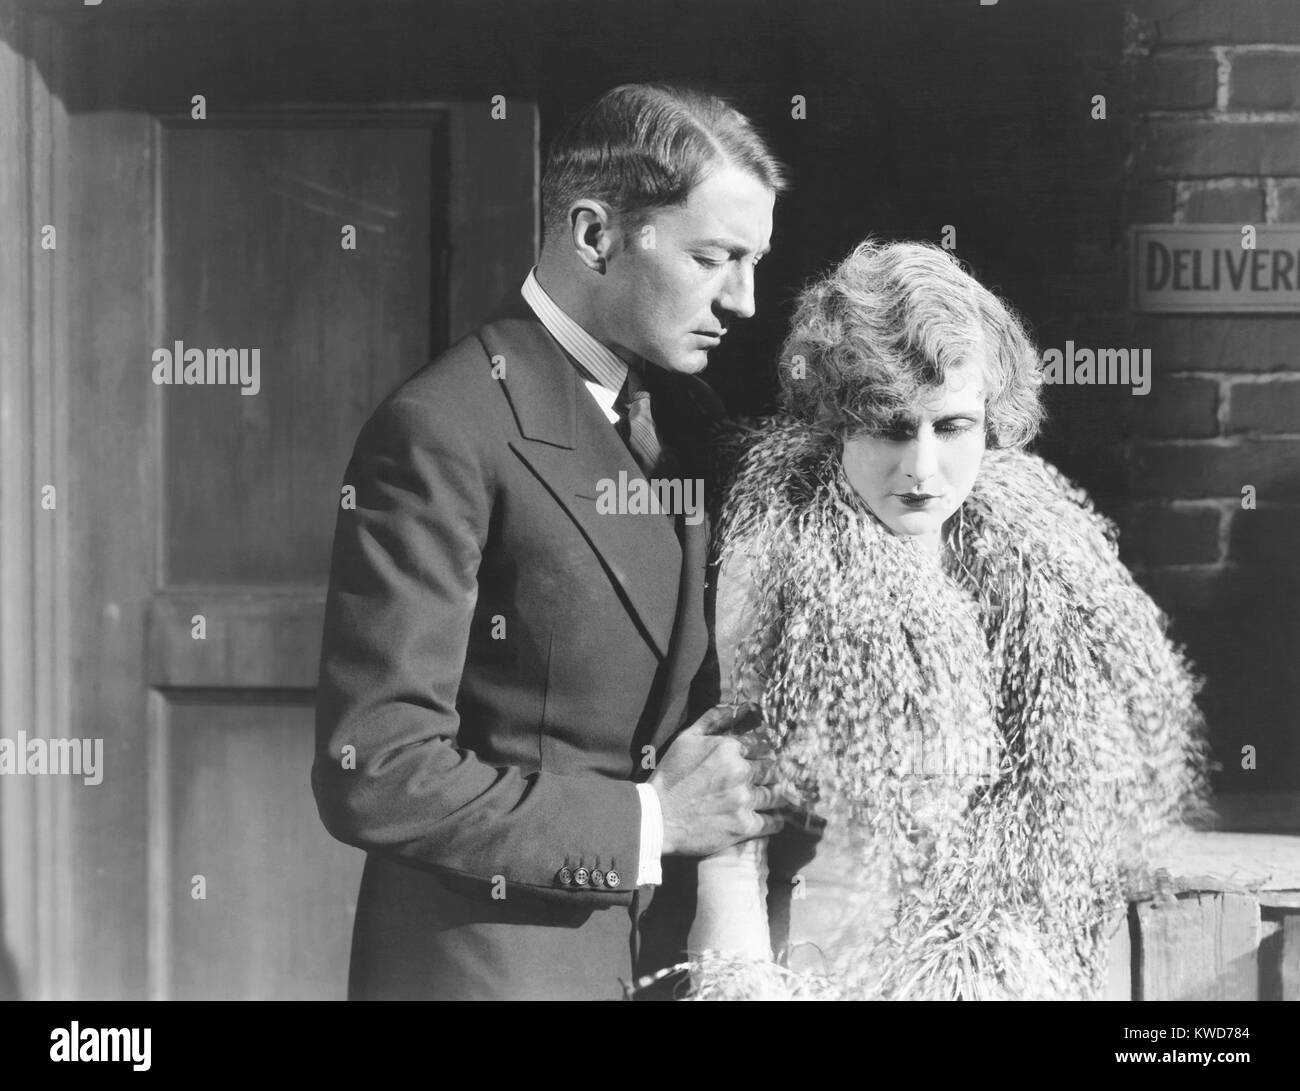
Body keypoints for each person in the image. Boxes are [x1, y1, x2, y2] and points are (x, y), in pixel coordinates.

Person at [312, 84, 789, 1000]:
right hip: (491, 966)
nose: (745, 301)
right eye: (714, 257)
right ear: (594, 235)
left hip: (660, 957)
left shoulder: (688, 416)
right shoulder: (441, 428)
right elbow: (376, 769)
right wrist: (650, 820)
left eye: (754, 260)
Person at [689, 239, 1210, 1000]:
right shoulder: (784, 553)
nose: (923, 470)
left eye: (953, 426)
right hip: (837, 960)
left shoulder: (1042, 553)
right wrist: (739, 982)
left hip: (1012, 956)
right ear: (836, 423)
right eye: (892, 428)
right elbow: (730, 822)